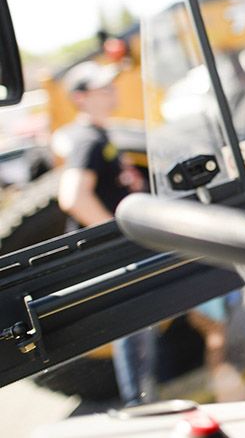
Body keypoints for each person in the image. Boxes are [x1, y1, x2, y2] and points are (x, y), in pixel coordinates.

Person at [57, 60, 157, 406]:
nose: (111, 91)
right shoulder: (87, 140)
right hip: (112, 253)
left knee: (139, 323)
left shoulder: (100, 135)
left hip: (120, 249)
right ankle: (138, 405)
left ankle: (142, 400)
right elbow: (72, 196)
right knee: (131, 326)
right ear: (80, 98)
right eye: (102, 88)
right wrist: (114, 233)